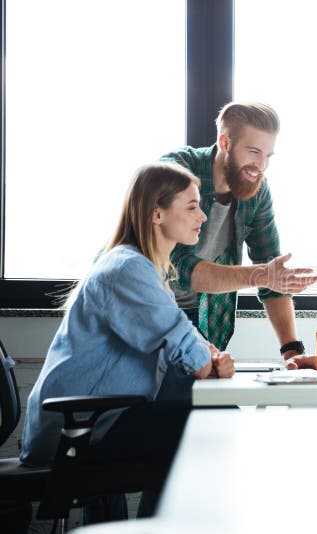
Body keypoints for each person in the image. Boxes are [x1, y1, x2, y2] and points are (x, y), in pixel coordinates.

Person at [20, 162, 234, 518]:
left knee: (204, 419)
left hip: (99, 420)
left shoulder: (147, 271)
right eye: (192, 206)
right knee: (217, 422)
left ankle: (152, 525)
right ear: (157, 214)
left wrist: (210, 356)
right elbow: (184, 344)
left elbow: (184, 339)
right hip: (80, 429)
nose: (203, 215)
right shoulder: (127, 268)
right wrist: (206, 361)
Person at [159, 101, 317, 385]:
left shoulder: (257, 193)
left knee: (220, 408)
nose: (261, 165)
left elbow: (272, 274)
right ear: (225, 142)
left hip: (199, 318)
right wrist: (261, 275)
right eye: (254, 152)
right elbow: (181, 266)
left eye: (268, 155)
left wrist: (291, 352)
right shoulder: (178, 171)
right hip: (152, 312)